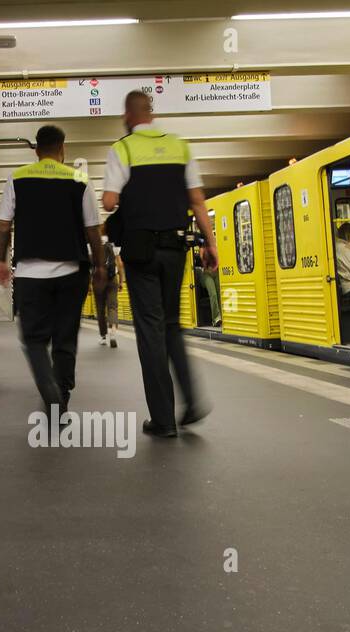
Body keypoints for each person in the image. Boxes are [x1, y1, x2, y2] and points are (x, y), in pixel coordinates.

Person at [101, 90, 215, 438]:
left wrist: (129, 197)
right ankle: (193, 402)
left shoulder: (123, 148)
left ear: (127, 115)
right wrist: (210, 243)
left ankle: (163, 419)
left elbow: (108, 202)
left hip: (141, 252)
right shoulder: (180, 146)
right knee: (171, 324)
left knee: (150, 331)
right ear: (151, 113)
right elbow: (197, 200)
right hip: (176, 248)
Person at [0, 124, 106, 414]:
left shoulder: (17, 178)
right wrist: (100, 267)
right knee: (65, 338)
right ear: (62, 149)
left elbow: (4, 225)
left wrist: (0, 260)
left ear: (36, 151)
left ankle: (50, 394)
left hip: (30, 275)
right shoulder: (79, 179)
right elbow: (93, 230)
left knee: (34, 340)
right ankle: (63, 396)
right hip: (71, 272)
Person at [97, 238, 120, 348]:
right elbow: (119, 264)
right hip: (112, 278)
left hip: (98, 279)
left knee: (100, 308)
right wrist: (121, 281)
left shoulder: (93, 242)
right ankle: (113, 333)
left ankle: (103, 337)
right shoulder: (112, 244)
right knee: (112, 307)